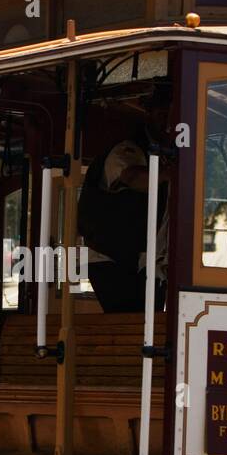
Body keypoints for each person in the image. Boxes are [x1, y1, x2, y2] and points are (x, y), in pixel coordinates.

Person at [78, 96, 170, 313]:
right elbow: (132, 177)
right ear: (148, 116)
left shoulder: (167, 153)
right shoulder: (127, 150)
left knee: (150, 328)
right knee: (133, 324)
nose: (168, 122)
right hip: (113, 262)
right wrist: (175, 172)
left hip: (150, 263)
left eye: (172, 116)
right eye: (162, 115)